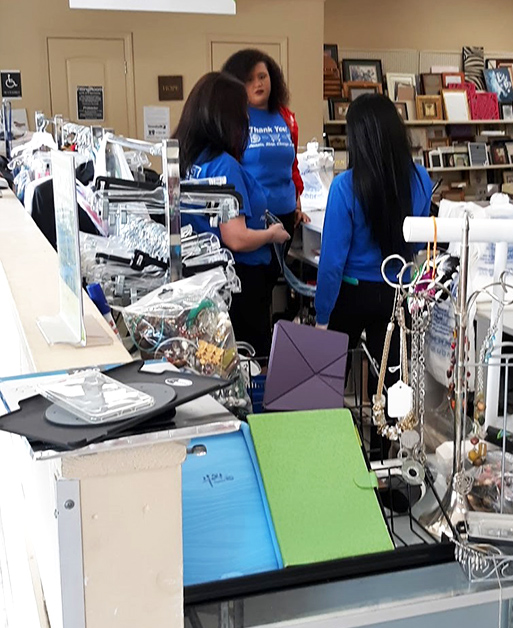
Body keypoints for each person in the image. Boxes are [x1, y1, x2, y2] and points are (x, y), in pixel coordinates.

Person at [315, 93, 433, 381]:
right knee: (392, 384)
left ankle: (339, 425)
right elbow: (417, 241)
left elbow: (332, 262)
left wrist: (321, 318)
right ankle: (386, 426)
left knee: (329, 383)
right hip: (397, 291)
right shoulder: (420, 178)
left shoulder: (345, 186)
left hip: (351, 293)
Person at [175, 71, 289, 356]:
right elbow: (236, 238)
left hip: (204, 278)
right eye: (243, 112)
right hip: (241, 280)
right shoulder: (225, 166)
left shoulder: (189, 161)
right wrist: (272, 234)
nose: (247, 119)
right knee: (250, 358)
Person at [221, 49, 308, 239]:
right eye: (249, 79)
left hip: (286, 213)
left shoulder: (287, 118)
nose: (258, 84)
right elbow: (228, 171)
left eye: (262, 76)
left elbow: (292, 167)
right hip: (252, 217)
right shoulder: (234, 121)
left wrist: (298, 204)